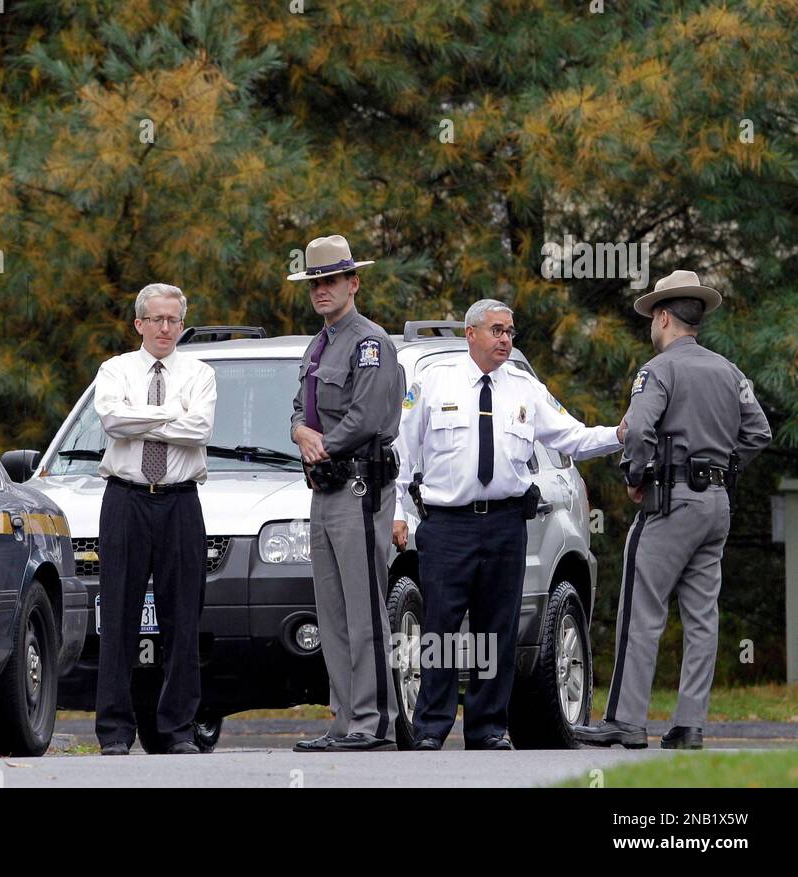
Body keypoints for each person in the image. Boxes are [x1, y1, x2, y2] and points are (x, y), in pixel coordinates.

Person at [393, 299, 626, 750]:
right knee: (440, 626)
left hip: (504, 524)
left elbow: (571, 436)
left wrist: (616, 435)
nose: (505, 339)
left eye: (510, 332)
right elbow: (403, 452)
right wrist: (400, 513)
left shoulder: (523, 388)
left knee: (496, 629)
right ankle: (430, 728)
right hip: (447, 525)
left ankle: (487, 728)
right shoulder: (432, 383)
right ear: (471, 334)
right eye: (497, 331)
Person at [574, 270, 771, 750]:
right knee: (703, 617)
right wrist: (719, 468)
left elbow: (638, 429)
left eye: (651, 319)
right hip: (716, 505)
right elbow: (758, 433)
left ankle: (626, 720)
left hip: (670, 502)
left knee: (642, 610)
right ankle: (689, 726)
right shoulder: (730, 371)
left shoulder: (659, 370)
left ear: (663, 316)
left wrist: (637, 475)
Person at [289, 234, 406, 752]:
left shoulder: (370, 342)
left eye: (331, 280)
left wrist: (321, 446)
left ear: (354, 282)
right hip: (325, 489)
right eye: (315, 282)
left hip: (359, 486)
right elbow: (299, 405)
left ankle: (375, 720)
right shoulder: (320, 343)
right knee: (332, 611)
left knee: (365, 609)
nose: (322, 290)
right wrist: (300, 433)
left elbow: (368, 416)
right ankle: (345, 720)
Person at [92, 282, 218, 755]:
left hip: (180, 502)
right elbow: (111, 421)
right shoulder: (115, 369)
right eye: (156, 319)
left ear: (181, 325)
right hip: (125, 500)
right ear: (139, 323)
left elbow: (200, 428)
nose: (165, 328)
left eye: (173, 320)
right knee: (119, 615)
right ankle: (115, 732)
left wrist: (140, 415)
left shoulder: (201, 372)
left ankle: (176, 731)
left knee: (182, 618)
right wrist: (172, 416)